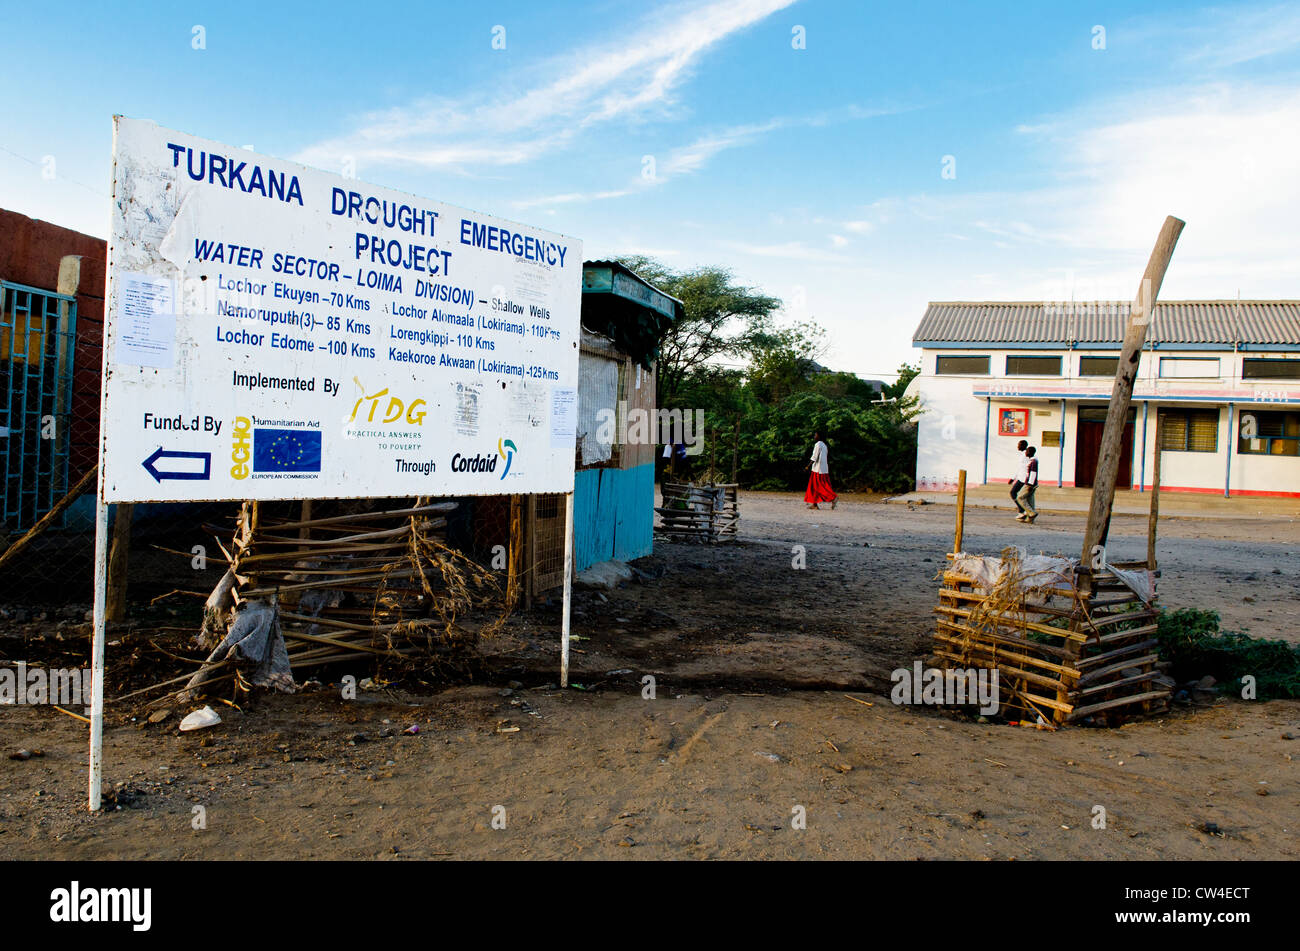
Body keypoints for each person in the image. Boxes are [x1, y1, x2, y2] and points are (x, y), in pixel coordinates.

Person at [805, 431, 837, 510]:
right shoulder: (824, 445)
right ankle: (814, 504)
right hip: (823, 469)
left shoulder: (818, 444)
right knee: (815, 487)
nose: (814, 436)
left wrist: (807, 466)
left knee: (819, 487)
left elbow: (814, 457)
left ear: (819, 436)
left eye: (815, 435)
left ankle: (833, 498)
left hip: (817, 470)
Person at [1017, 446, 1039, 523]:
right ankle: (1030, 519)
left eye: (1027, 451)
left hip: (1030, 484)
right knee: (1030, 501)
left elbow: (1033, 474)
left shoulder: (1033, 462)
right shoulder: (1032, 461)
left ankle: (1031, 513)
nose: (1026, 452)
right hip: (1032, 483)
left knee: (1019, 497)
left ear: (1031, 452)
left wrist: (1030, 485)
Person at [1009, 439, 1029, 516]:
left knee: (1013, 492)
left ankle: (1022, 510)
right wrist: (1013, 478)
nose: (1017, 446)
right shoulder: (1023, 455)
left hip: (1023, 479)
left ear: (1023, 446)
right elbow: (1019, 468)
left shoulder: (1025, 456)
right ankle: (1023, 510)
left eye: (1019, 445)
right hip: (1021, 477)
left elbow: (1023, 468)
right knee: (1017, 494)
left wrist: (1013, 478)